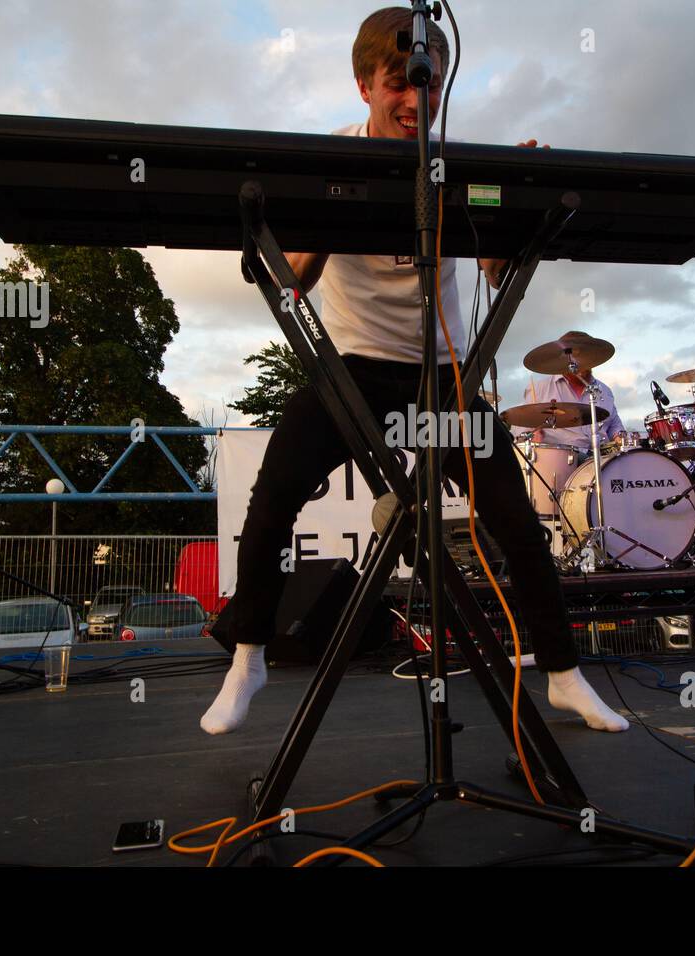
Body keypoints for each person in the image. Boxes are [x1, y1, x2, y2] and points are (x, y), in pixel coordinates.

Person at [201, 6, 628, 736]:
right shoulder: (328, 158)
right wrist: (341, 207)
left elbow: (494, 268)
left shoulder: (457, 164)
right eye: (397, 85)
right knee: (271, 502)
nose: (413, 101)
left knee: (517, 523)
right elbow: (290, 279)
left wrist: (520, 209)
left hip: (438, 378)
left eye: (425, 86)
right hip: (353, 373)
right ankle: (248, 655)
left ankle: (562, 673)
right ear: (364, 85)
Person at [520, 331, 625, 451]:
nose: (579, 361)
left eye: (584, 355)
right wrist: (531, 434)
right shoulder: (539, 389)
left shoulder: (605, 391)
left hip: (602, 460)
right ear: (562, 359)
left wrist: (619, 437)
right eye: (574, 356)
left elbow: (615, 426)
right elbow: (519, 427)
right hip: (562, 462)